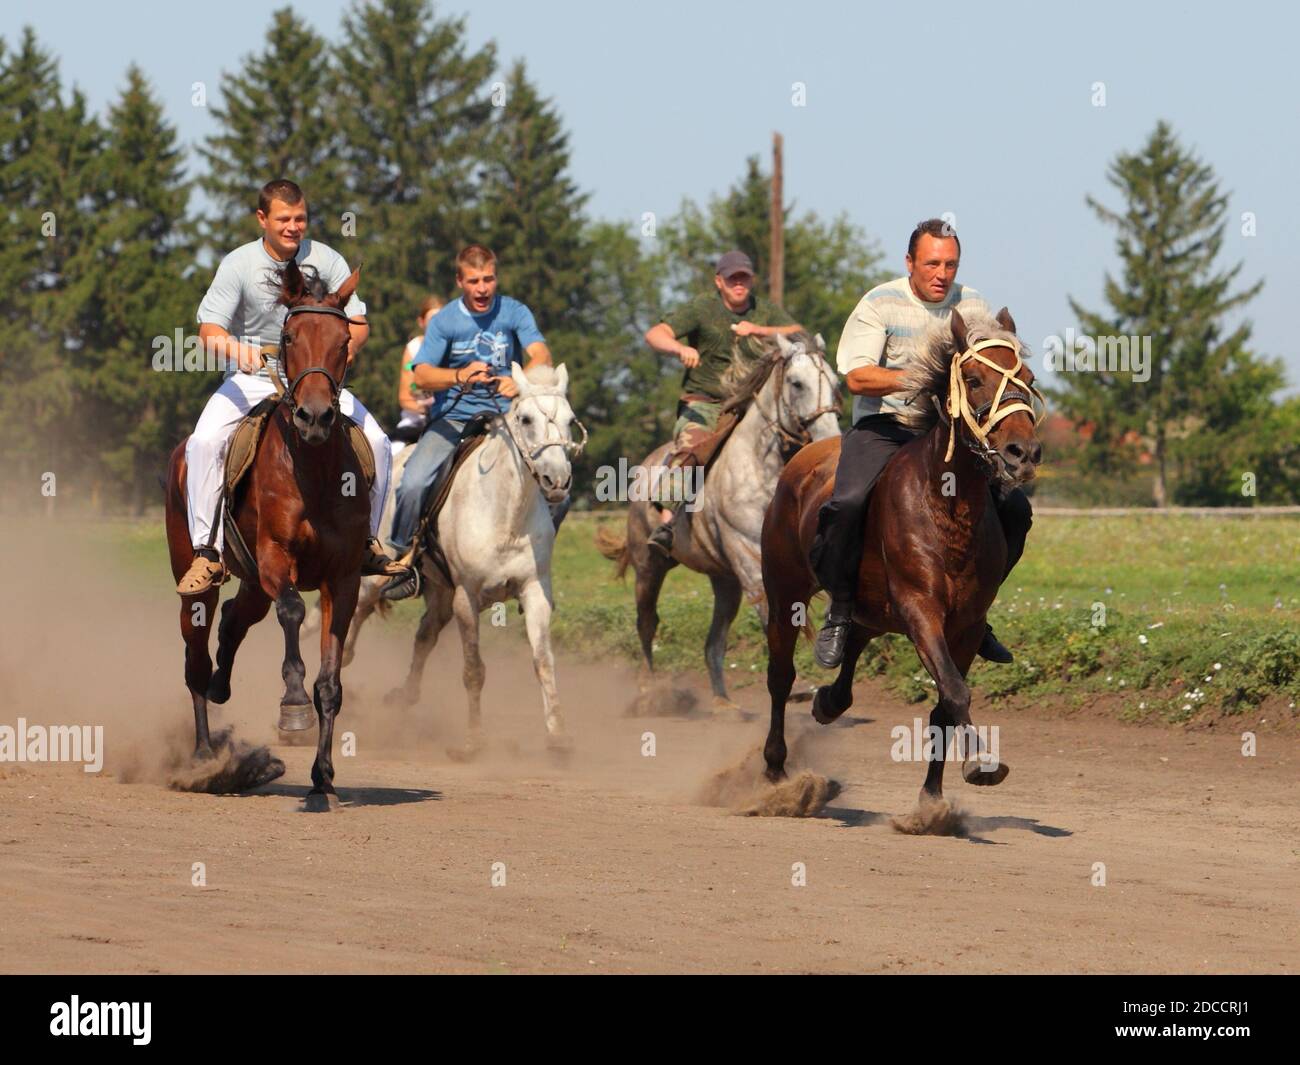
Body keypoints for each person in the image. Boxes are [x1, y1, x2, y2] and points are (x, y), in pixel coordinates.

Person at [811, 218, 1032, 668]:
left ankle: (977, 616)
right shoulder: (879, 303)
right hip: (886, 428)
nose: (942, 274)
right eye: (932, 263)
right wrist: (925, 379)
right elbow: (856, 377)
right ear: (910, 262)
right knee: (848, 503)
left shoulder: (974, 306)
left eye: (951, 264)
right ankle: (840, 607)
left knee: (1016, 512)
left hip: (951, 436)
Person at [175, 178, 407, 595]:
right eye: (283, 219)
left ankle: (368, 544)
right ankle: (207, 552)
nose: (293, 226)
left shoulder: (328, 259)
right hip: (251, 379)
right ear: (262, 219)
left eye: (300, 218)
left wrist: (348, 348)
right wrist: (240, 353)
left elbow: (357, 322)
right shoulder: (238, 264)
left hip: (314, 381)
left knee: (378, 442)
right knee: (204, 443)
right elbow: (208, 329)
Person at [381, 244, 552, 600]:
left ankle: (538, 557)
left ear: (496, 277)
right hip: (454, 417)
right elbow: (423, 377)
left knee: (556, 476)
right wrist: (459, 375)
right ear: (460, 281)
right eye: (474, 281)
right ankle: (403, 560)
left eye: (488, 279)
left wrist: (521, 380)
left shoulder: (514, 312)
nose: (482, 288)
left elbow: (540, 354)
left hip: (507, 416)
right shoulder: (444, 321)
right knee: (413, 481)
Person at [642, 250, 804, 556]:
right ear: (720, 281)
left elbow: (799, 334)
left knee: (799, 442)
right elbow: (655, 334)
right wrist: (678, 349)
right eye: (732, 279)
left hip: (752, 406)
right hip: (704, 403)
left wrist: (759, 330)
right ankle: (666, 523)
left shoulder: (764, 311)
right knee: (692, 447)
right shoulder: (702, 308)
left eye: (744, 277)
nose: (739, 284)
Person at [392, 295, 445, 450]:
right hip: (416, 422)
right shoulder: (413, 349)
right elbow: (404, 398)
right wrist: (427, 410)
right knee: (393, 451)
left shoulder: (456, 348)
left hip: (450, 419)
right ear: (421, 322)